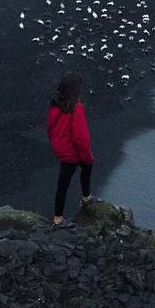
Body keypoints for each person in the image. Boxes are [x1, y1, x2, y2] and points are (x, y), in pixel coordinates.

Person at [47, 72, 95, 225]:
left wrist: (57, 143)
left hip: (62, 149)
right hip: (72, 150)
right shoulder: (76, 108)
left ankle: (57, 218)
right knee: (87, 166)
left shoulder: (55, 106)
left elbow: (50, 129)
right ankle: (86, 198)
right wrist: (86, 156)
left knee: (62, 184)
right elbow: (80, 136)